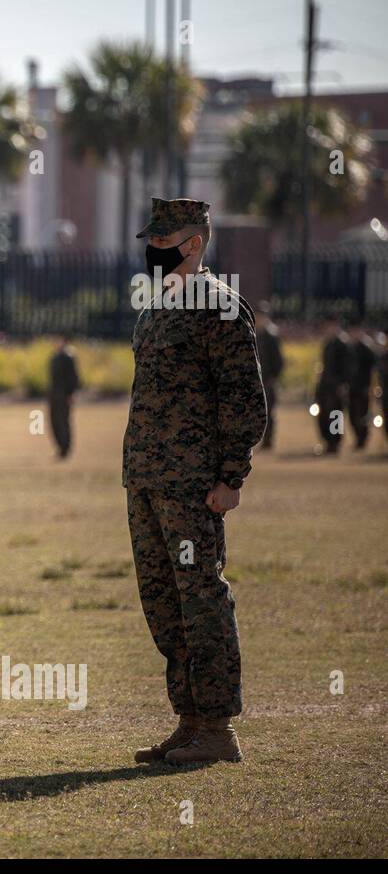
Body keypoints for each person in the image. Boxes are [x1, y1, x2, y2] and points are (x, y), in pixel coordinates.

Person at [126, 198, 267, 765]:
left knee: (201, 597)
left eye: (163, 241)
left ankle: (217, 727)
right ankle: (188, 720)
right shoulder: (157, 307)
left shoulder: (220, 307)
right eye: (150, 241)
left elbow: (245, 399)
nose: (152, 251)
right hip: (147, 478)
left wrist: (231, 476)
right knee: (164, 603)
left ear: (194, 243)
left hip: (193, 483)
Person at [313, 316, 351, 455]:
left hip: (336, 387)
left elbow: (347, 367)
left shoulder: (343, 344)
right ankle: (327, 441)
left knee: (336, 415)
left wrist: (343, 384)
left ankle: (335, 443)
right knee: (323, 415)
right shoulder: (328, 344)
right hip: (325, 386)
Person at [255, 306, 284, 450]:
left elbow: (278, 359)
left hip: (268, 379)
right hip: (256, 380)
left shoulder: (272, 335)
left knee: (268, 411)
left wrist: (274, 377)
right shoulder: (254, 334)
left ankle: (268, 440)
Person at [47, 333, 81, 459]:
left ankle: (65, 448)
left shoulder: (69, 356)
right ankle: (60, 447)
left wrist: (71, 393)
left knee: (63, 421)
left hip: (64, 394)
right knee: (53, 421)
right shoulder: (55, 356)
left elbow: (74, 377)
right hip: (54, 393)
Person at [347, 320, 379, 450]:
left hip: (363, 387)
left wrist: (370, 386)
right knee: (351, 415)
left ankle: (363, 439)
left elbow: (373, 370)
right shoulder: (349, 347)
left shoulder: (367, 348)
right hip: (351, 387)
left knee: (362, 414)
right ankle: (356, 438)